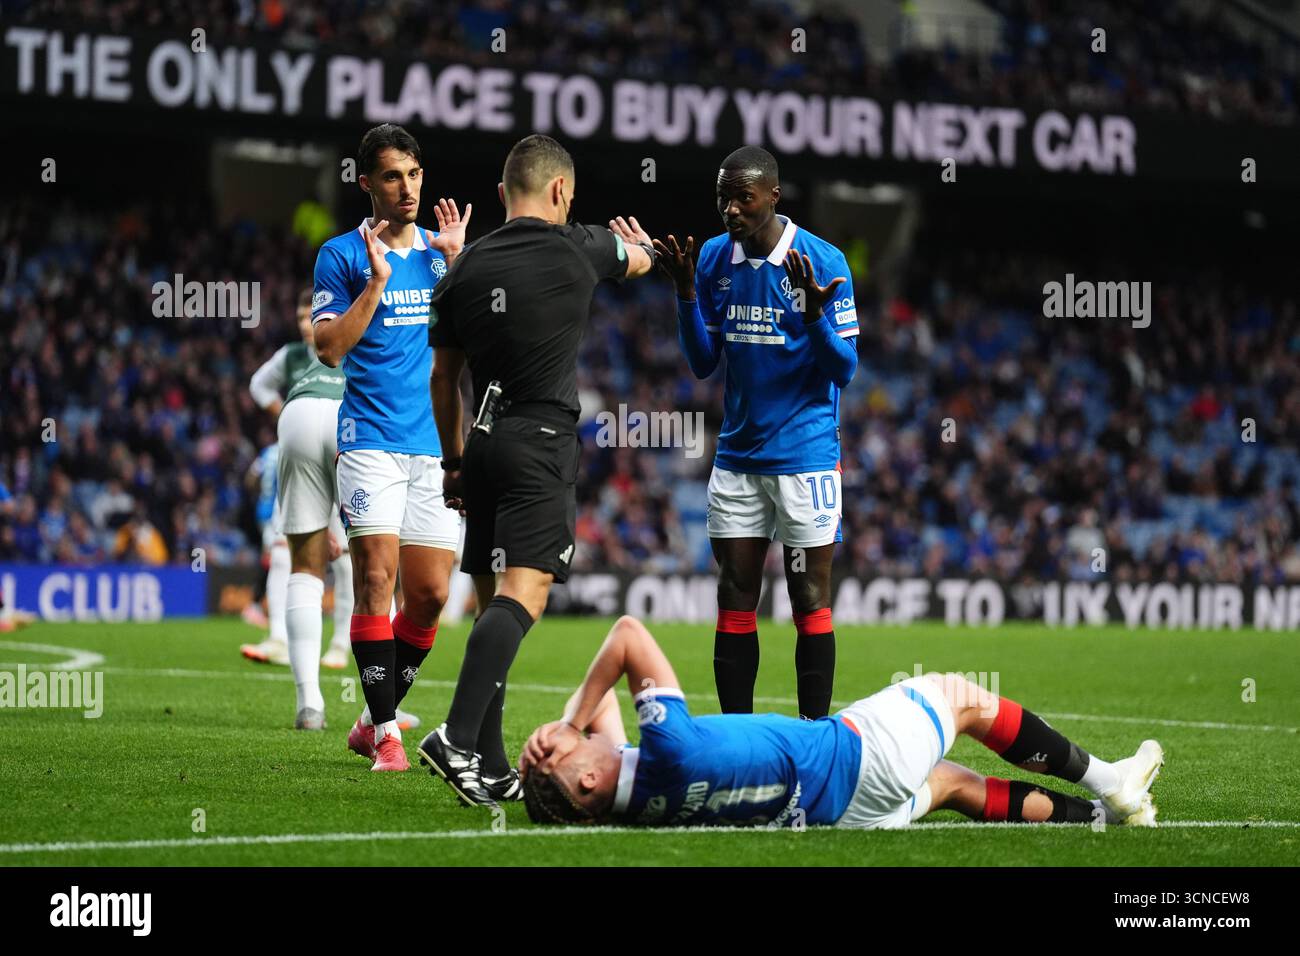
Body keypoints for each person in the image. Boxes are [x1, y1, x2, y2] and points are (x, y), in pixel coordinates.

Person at [416, 134, 655, 805]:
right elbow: (638, 259)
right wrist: (640, 249)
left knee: (495, 599)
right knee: (528, 594)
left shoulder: (462, 269)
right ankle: (457, 738)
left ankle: (490, 765)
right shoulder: (578, 245)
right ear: (559, 192)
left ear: (501, 194)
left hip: (482, 444)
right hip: (539, 439)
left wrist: (455, 461)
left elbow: (443, 378)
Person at [519, 616, 1164, 830]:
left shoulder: (631, 801)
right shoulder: (669, 752)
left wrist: (558, 746)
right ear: (583, 787)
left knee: (955, 784)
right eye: (565, 755)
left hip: (842, 813)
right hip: (855, 760)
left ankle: (1104, 822)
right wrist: (566, 721)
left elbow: (601, 733)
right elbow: (629, 636)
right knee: (963, 698)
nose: (568, 740)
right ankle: (1111, 783)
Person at [655, 146, 860, 720]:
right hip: (739, 459)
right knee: (734, 593)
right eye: (722, 197)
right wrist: (686, 294)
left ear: (774, 195)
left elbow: (844, 368)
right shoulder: (716, 258)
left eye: (743, 197)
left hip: (806, 459)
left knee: (809, 598)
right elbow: (702, 362)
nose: (730, 209)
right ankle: (738, 741)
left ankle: (815, 738)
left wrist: (815, 316)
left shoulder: (824, 262)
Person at [312, 123, 471, 771]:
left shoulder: (442, 252)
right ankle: (386, 735)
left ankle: (369, 718)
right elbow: (328, 348)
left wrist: (460, 268)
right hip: (369, 441)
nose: (406, 188)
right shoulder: (341, 256)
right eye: (391, 177)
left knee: (430, 595)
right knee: (374, 580)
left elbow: (475, 338)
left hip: (431, 446)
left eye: (413, 174)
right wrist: (375, 285)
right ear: (366, 184)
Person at [243, 288, 357, 728]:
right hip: (350, 427)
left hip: (299, 422)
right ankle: (380, 709)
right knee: (367, 559)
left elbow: (257, 384)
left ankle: (311, 698)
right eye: (301, 314)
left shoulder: (302, 360)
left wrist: (284, 409)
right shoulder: (358, 336)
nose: (305, 322)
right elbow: (258, 386)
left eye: (311, 314)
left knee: (301, 563)